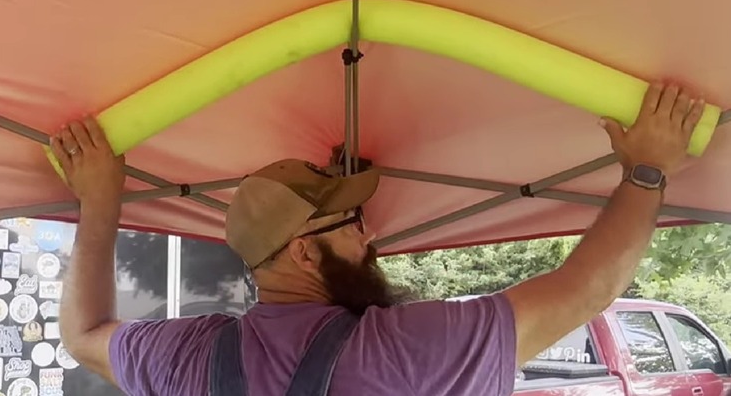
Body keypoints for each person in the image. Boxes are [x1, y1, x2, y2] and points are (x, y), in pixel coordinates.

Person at [52, 82, 706, 395]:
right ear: (305, 251)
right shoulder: (406, 350)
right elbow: (587, 287)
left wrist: (99, 197)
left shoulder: (184, 358)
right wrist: (647, 171)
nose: (371, 239)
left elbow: (83, 336)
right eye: (354, 225)